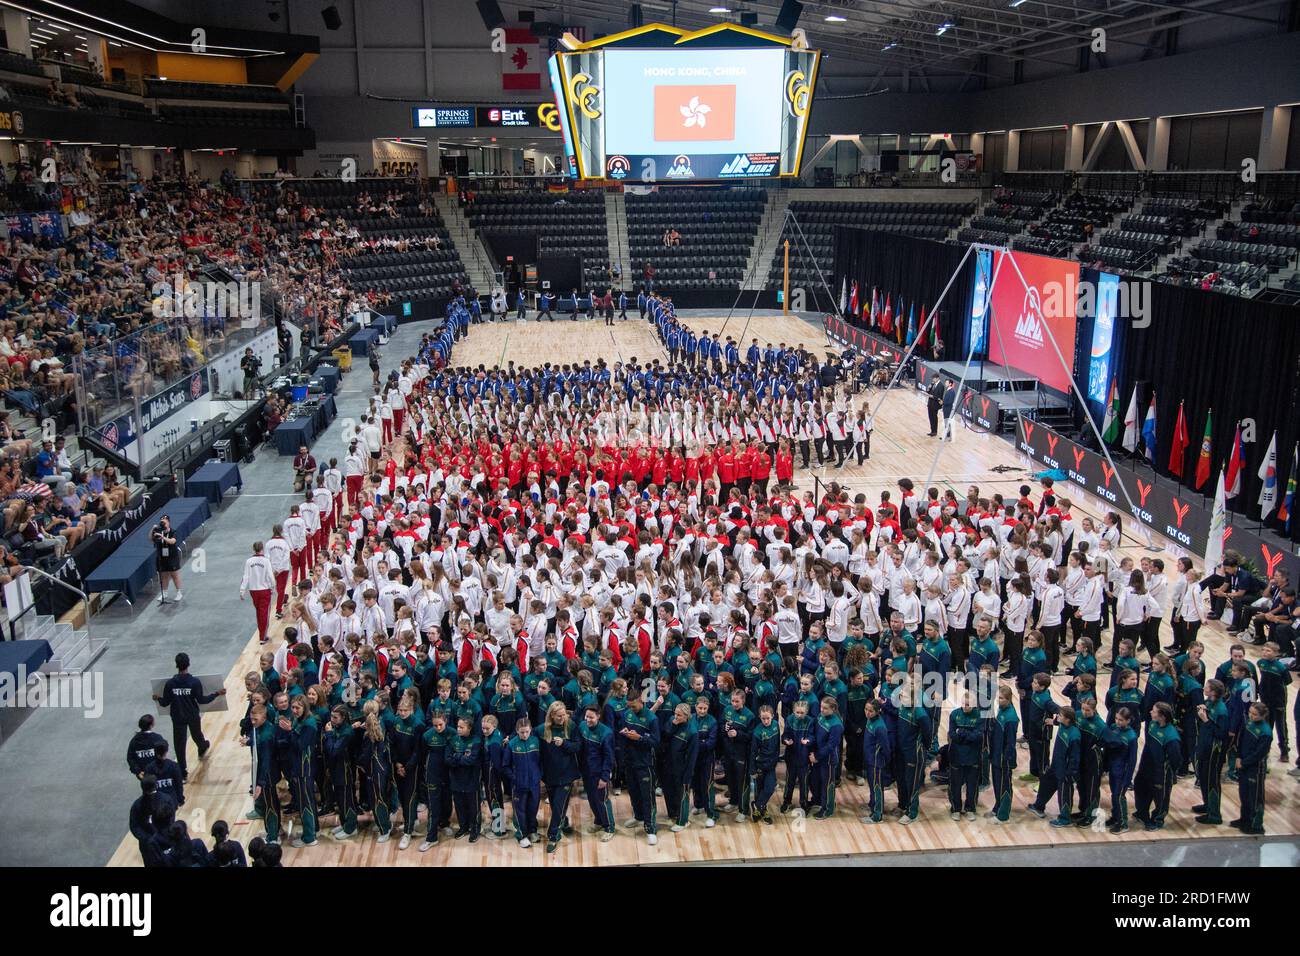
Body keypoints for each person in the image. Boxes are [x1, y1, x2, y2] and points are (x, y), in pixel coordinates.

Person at [152, 652, 225, 780]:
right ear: (188, 664)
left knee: (179, 744)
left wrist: (157, 698)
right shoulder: (194, 682)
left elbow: (165, 703)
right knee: (197, 735)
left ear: (176, 665)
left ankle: (183, 772)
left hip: (177, 717)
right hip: (192, 715)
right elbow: (202, 700)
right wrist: (216, 693)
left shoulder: (170, 684)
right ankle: (202, 747)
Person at [1133, 701, 1182, 831]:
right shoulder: (1153, 725)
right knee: (1140, 787)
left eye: (1154, 711)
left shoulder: (1171, 737)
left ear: (1162, 716)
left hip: (1161, 772)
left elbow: (1175, 759)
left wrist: (1170, 773)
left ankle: (1157, 819)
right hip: (1146, 765)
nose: (1150, 712)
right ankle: (1142, 813)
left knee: (1160, 796)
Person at [1028, 704, 1079, 827]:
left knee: (1064, 794)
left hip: (1065, 770)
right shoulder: (1062, 724)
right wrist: (1052, 721)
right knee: (1046, 783)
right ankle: (1038, 806)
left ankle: (1065, 818)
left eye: (1060, 715)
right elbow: (1056, 721)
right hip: (1055, 765)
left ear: (1067, 719)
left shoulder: (1074, 735)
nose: (1058, 717)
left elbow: (1074, 758)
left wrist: (1069, 773)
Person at [1233, 701, 1271, 834]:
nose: (1251, 716)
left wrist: (1244, 762)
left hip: (1255, 769)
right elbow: (1241, 740)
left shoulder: (1266, 732)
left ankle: (1256, 825)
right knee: (1244, 794)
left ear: (1262, 715)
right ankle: (1244, 819)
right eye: (1250, 712)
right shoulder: (1248, 723)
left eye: (1254, 714)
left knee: (1255, 797)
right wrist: (1238, 757)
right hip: (1243, 764)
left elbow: (1259, 753)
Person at [239, 541, 276, 644]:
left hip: (253, 591)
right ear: (262, 549)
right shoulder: (266, 561)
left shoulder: (249, 561)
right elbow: (270, 576)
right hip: (264, 590)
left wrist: (242, 591)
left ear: (253, 549)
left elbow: (245, 576)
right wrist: (273, 587)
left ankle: (262, 633)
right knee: (264, 613)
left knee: (259, 612)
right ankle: (262, 636)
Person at [151, 514, 183, 605]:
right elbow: (150, 539)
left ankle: (179, 592)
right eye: (161, 521)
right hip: (162, 557)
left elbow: (172, 541)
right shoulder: (158, 531)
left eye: (165, 521)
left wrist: (163, 538)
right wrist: (152, 530)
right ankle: (164, 593)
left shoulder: (173, 531)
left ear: (168, 522)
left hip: (172, 556)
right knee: (164, 575)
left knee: (174, 575)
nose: (163, 523)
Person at [127, 714, 167, 779]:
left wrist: (138, 771)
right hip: (157, 772)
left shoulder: (134, 740)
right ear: (151, 725)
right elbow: (164, 751)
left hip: (143, 774)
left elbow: (130, 758)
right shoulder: (157, 738)